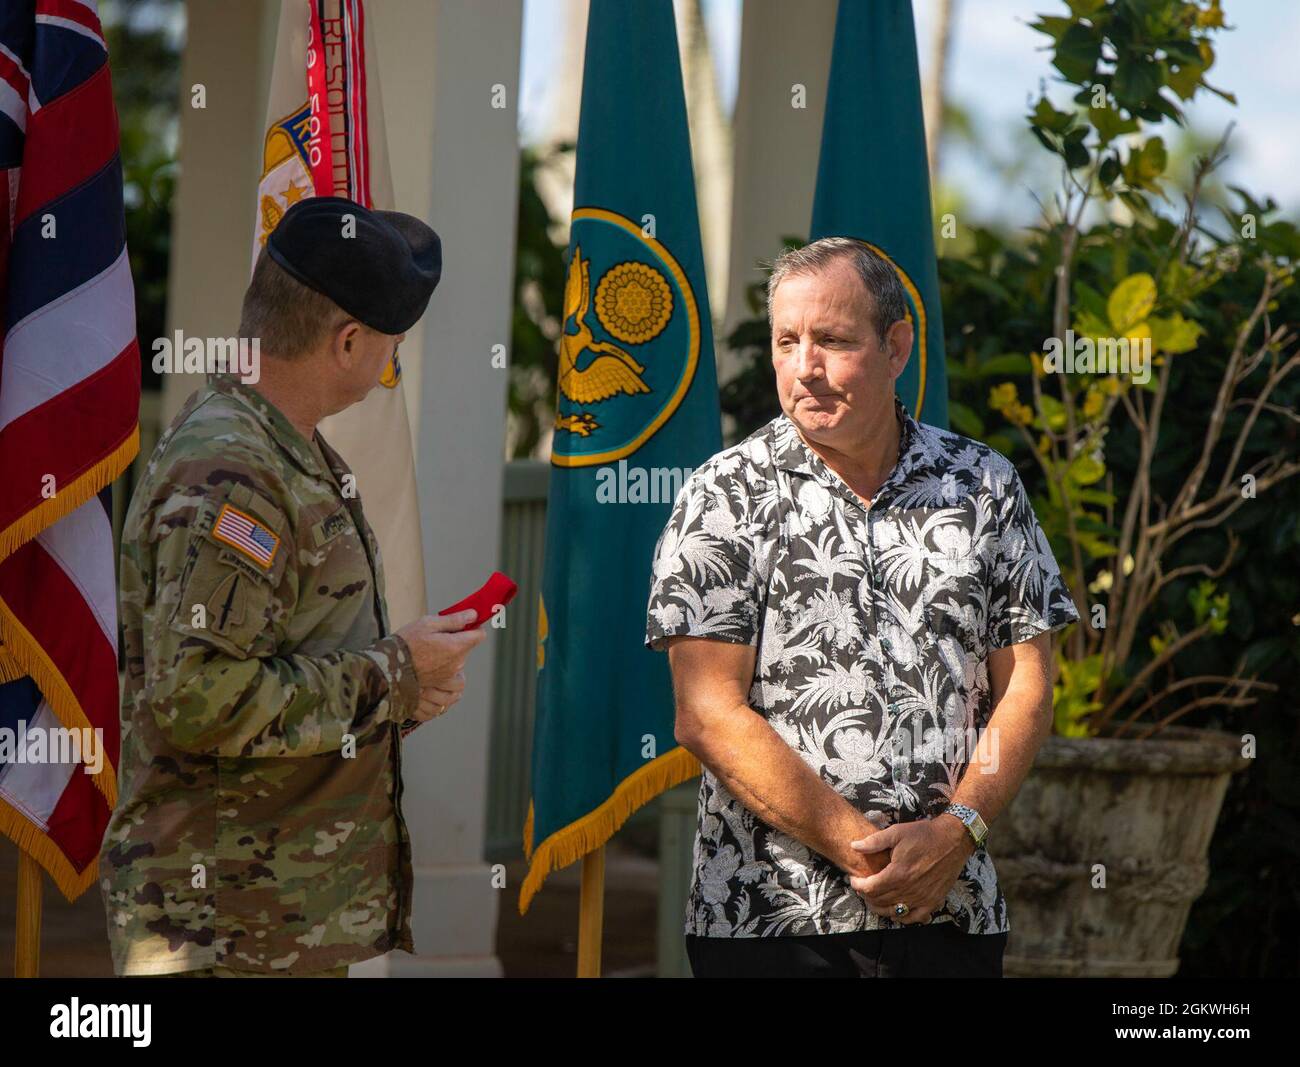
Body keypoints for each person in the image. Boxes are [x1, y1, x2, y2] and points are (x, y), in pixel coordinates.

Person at [645, 237, 1079, 978]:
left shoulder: (985, 485)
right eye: (788, 341)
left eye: (833, 340)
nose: (804, 366)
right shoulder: (722, 496)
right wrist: (876, 859)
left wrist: (955, 834)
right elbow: (707, 712)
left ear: (896, 346)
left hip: (955, 912)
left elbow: (1028, 686)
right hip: (770, 918)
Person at [101, 197, 487, 977]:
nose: (391, 365)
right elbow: (200, 697)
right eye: (392, 345)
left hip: (271, 916)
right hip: (219, 926)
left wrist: (398, 691)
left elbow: (280, 657)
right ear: (349, 341)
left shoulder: (276, 445)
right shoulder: (234, 469)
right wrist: (393, 671)